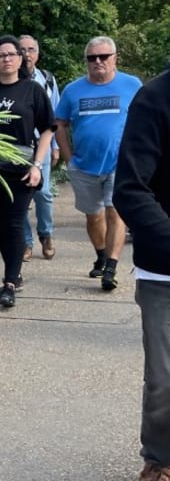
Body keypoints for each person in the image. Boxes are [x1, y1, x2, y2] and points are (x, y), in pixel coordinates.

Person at [112, 67, 170, 481]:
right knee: (165, 379)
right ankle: (160, 457)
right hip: (163, 270)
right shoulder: (154, 99)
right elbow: (130, 189)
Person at [0, 35, 55, 308]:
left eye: (11, 54)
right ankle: (13, 274)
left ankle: (9, 282)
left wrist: (38, 165)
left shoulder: (32, 91)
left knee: (16, 222)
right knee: (2, 226)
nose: (6, 59)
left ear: (21, 59)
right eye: (1, 55)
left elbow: (48, 129)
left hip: (22, 168)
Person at [55, 36, 142, 290]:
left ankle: (111, 268)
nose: (98, 62)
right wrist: (68, 157)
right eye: (92, 58)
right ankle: (102, 255)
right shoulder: (73, 90)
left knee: (115, 211)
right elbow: (59, 123)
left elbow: (145, 116)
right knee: (94, 217)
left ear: (115, 58)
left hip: (120, 162)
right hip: (84, 165)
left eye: (103, 56)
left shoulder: (132, 85)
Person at [19, 34, 60, 262]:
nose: (26, 54)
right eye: (22, 49)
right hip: (16, 147)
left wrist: (55, 147)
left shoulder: (47, 79)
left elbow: (54, 116)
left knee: (43, 194)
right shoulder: (10, 79)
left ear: (37, 53)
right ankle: (26, 242)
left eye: (31, 49)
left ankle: (46, 234)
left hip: (41, 146)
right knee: (21, 196)